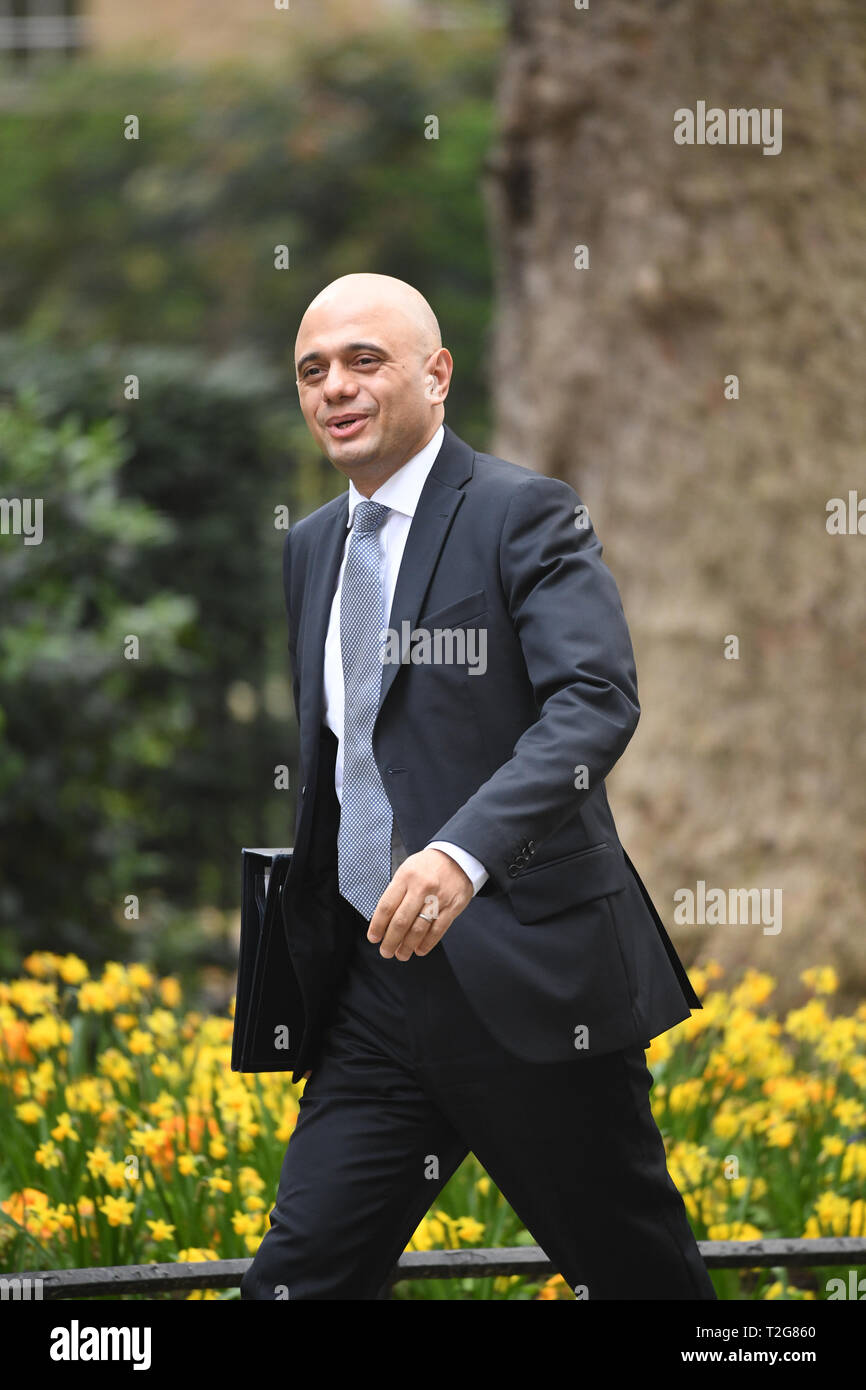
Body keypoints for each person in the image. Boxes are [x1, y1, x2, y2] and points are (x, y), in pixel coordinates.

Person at [238, 272, 717, 1301]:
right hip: (367, 998)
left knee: (638, 1280)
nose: (334, 387)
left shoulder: (521, 512)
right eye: (311, 370)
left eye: (363, 360)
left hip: (532, 984)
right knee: (297, 1280)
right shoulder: (311, 545)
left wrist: (462, 853)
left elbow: (592, 702)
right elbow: (347, 755)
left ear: (435, 373)